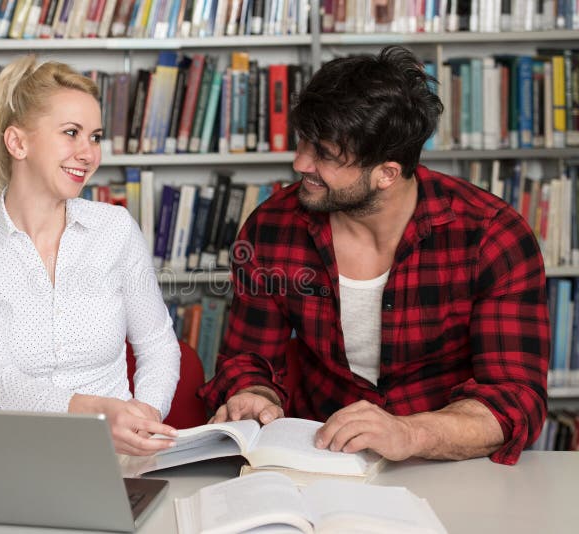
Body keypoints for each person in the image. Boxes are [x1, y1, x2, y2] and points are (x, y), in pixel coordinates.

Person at [199, 46, 549, 465]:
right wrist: (254, 394)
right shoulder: (272, 227)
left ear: (387, 173)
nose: (299, 162)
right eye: (303, 141)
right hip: (321, 458)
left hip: (446, 462)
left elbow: (514, 398)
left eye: (325, 154)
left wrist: (410, 433)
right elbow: (248, 358)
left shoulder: (492, 235)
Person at [0, 56, 180, 456]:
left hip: (117, 458)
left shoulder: (115, 229)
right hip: (19, 460)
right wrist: (96, 415)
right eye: (71, 133)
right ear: (18, 143)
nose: (89, 154)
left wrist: (142, 419)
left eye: (95, 137)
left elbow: (158, 346)